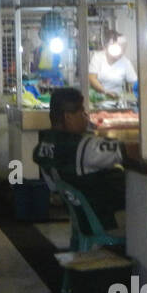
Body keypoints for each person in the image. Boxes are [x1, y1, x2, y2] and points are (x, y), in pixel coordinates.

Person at [32, 87, 136, 230]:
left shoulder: (43, 146)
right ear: (68, 117)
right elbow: (128, 151)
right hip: (106, 215)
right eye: (82, 112)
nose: (86, 117)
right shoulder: (84, 147)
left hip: (81, 213)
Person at [88, 31, 137, 99]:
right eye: (119, 48)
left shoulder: (125, 62)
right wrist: (105, 92)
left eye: (123, 49)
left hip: (116, 98)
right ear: (108, 47)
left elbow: (134, 81)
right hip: (97, 98)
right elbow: (92, 78)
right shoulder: (98, 57)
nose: (121, 52)